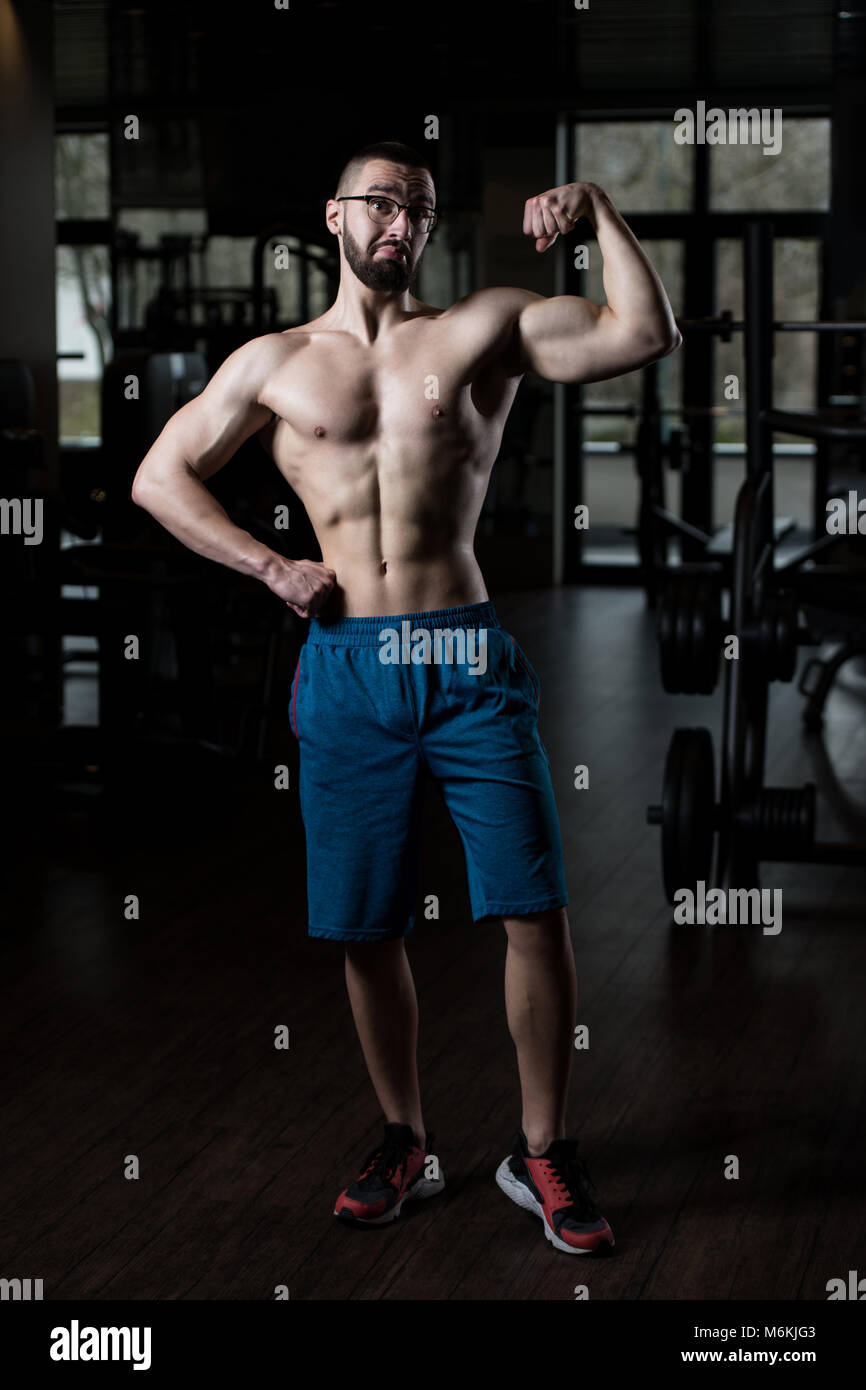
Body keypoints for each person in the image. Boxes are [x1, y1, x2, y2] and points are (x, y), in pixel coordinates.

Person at [131, 139, 681, 1256]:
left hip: (466, 657)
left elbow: (642, 332)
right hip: (344, 669)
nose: (398, 220)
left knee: (532, 906)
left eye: (416, 209)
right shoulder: (273, 362)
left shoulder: (478, 329)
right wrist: (269, 566)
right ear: (331, 216)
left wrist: (601, 211)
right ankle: (403, 1136)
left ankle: (542, 1151)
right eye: (377, 201)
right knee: (363, 921)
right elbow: (159, 474)